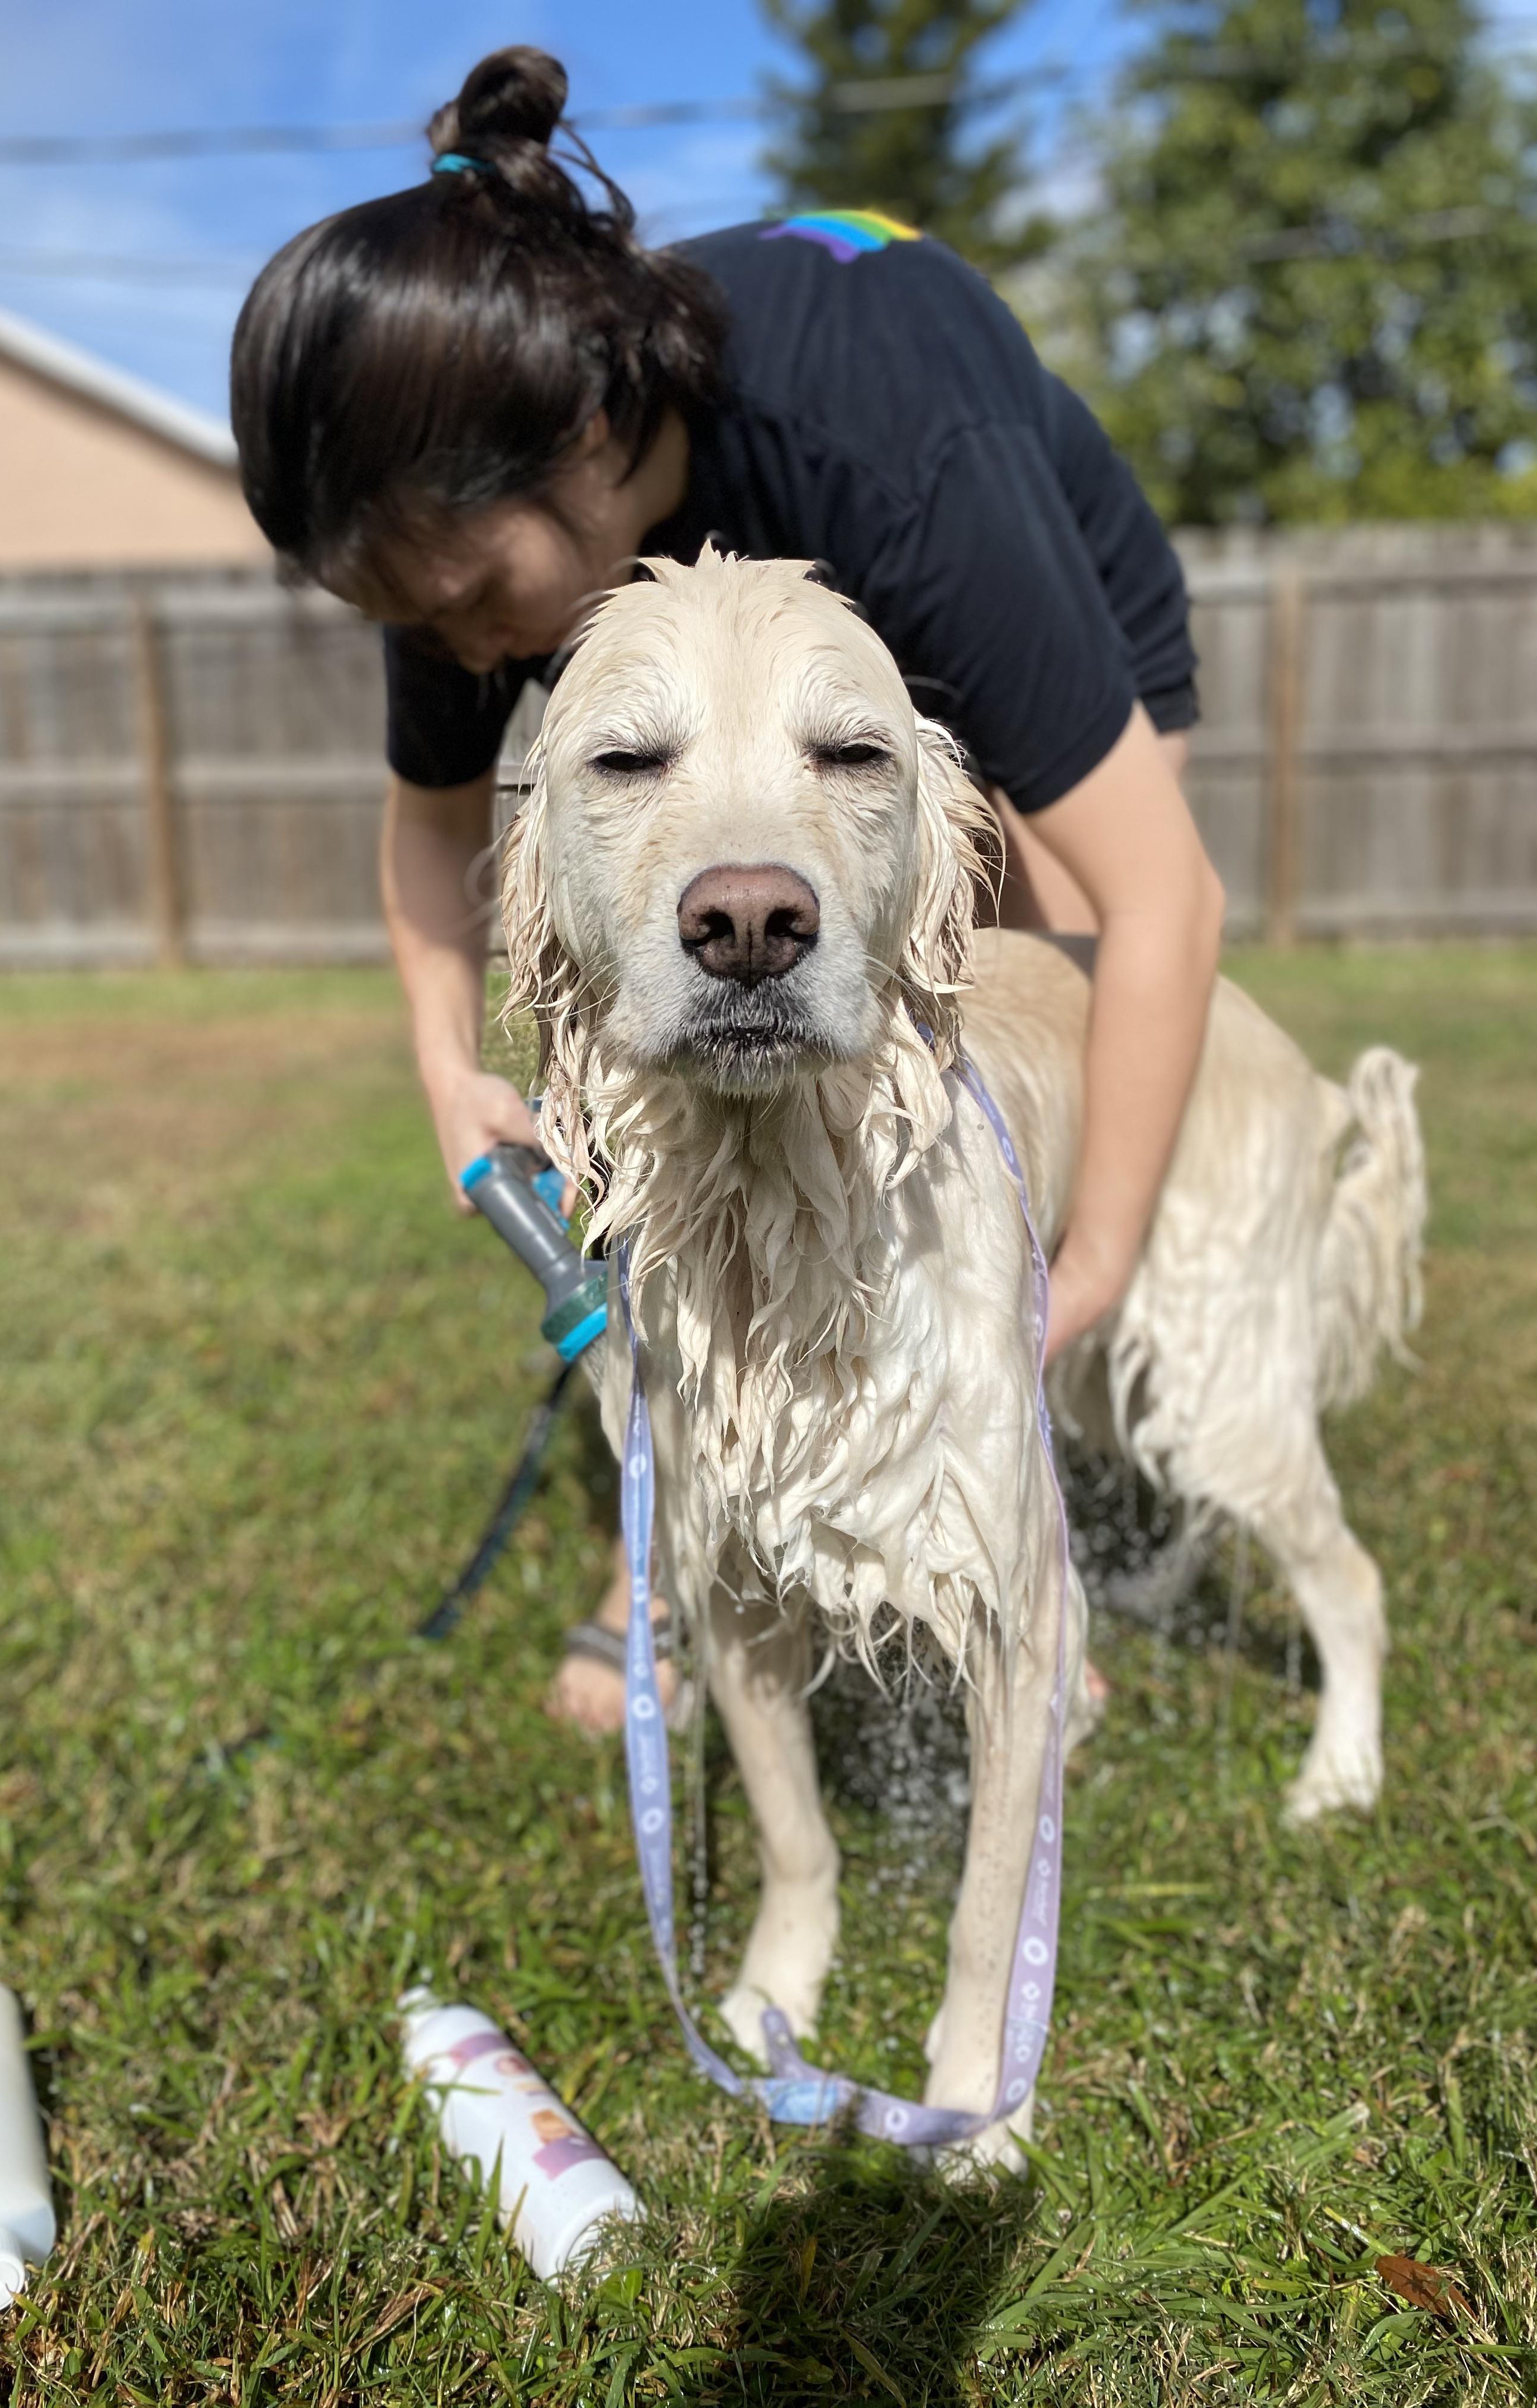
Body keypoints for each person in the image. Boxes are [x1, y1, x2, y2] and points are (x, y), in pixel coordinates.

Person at [230, 45, 1225, 1736]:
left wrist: (1095, 1263)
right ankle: (685, 1545)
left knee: (994, 1024)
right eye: (415, 619)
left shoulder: (888, 440)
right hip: (719, 603)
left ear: (587, 432)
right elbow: (431, 827)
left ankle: (1007, 1518)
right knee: (667, 1086)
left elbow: (1162, 907)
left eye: (466, 598)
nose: (460, 649)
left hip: (1012, 630)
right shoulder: (464, 537)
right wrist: (447, 1067)